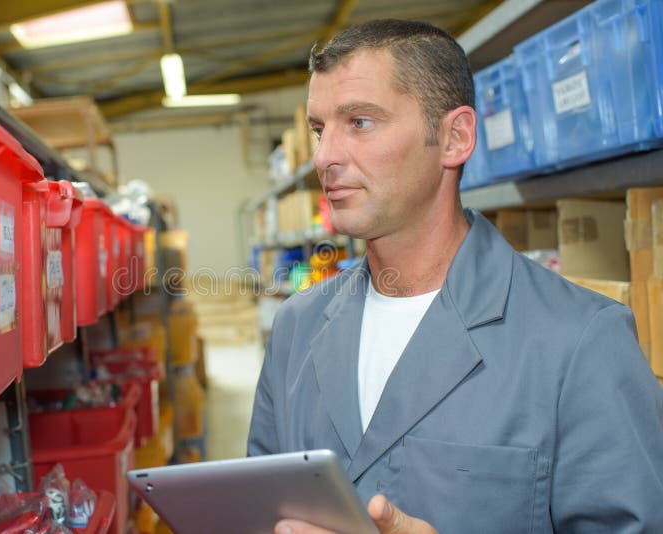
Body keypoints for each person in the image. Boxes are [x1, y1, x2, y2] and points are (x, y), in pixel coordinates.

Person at [247, 18, 663, 534]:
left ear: (454, 138)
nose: (324, 157)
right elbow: (258, 510)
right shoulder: (296, 329)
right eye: (319, 129)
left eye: (360, 122)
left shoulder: (580, 341)